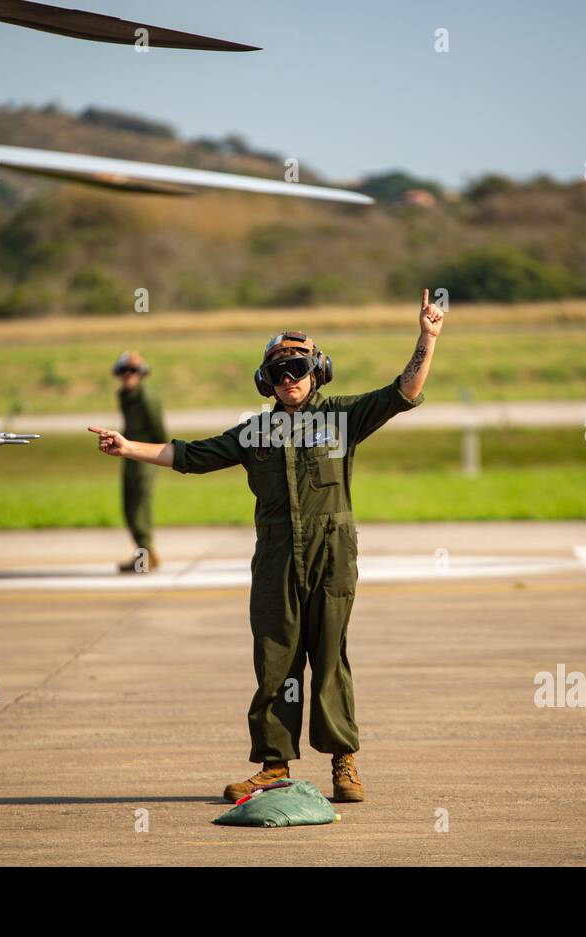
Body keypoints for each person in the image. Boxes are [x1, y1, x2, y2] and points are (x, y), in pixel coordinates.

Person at [89, 290, 444, 802]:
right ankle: (274, 766)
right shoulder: (255, 432)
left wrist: (426, 338)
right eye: (279, 373)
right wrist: (128, 447)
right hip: (276, 559)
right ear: (266, 381)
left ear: (317, 371)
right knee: (275, 659)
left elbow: (403, 392)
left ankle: (343, 763)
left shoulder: (343, 418)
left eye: (298, 369)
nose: (289, 379)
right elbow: (190, 455)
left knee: (330, 658)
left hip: (332, 556)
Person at [112, 351, 167, 572]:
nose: (128, 375)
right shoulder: (125, 396)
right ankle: (145, 555)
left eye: (133, 371)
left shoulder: (147, 398)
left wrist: (155, 455)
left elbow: (159, 431)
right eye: (124, 370)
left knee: (139, 510)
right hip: (129, 456)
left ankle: (146, 557)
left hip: (145, 457)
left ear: (141, 373)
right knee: (129, 507)